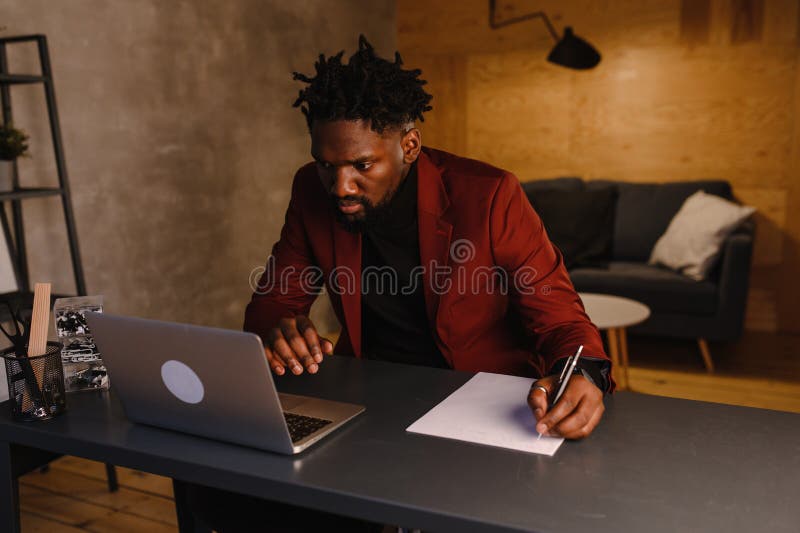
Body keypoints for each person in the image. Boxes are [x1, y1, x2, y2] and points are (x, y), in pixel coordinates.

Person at [191, 35, 613, 532]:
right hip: (370, 398)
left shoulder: (490, 195)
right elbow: (273, 302)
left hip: (484, 406)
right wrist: (279, 329)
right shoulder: (311, 189)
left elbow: (561, 318)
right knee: (235, 492)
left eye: (361, 165)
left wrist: (583, 375)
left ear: (409, 145)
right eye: (328, 165)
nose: (340, 186)